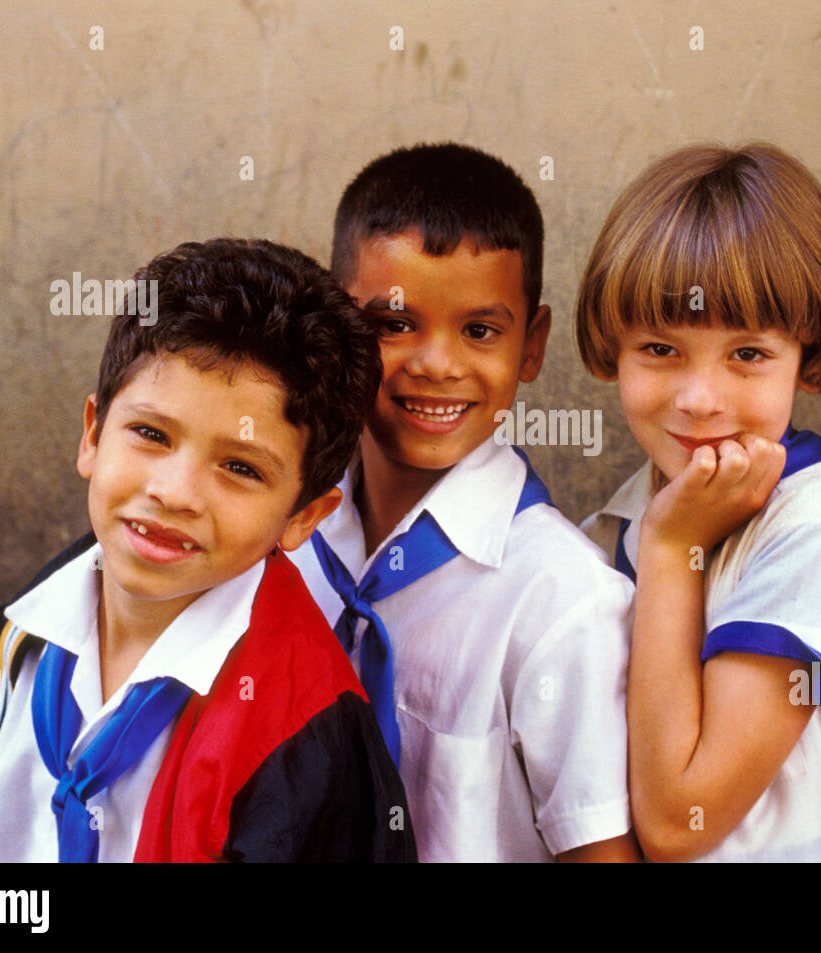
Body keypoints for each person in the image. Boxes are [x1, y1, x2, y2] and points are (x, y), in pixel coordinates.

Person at [0, 238, 415, 862]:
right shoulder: (13, 641)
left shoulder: (304, 741)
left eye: (240, 467)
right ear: (93, 435)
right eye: (151, 434)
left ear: (303, 517)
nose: (175, 493)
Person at [286, 143, 638, 862]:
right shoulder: (283, 540)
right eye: (393, 323)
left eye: (480, 331)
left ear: (531, 346)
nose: (437, 364)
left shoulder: (563, 603)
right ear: (336, 326)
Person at [577, 143, 821, 862]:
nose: (700, 401)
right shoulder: (606, 533)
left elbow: (681, 821)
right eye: (660, 349)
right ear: (613, 346)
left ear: (809, 351)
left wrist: (674, 551)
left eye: (748, 355)